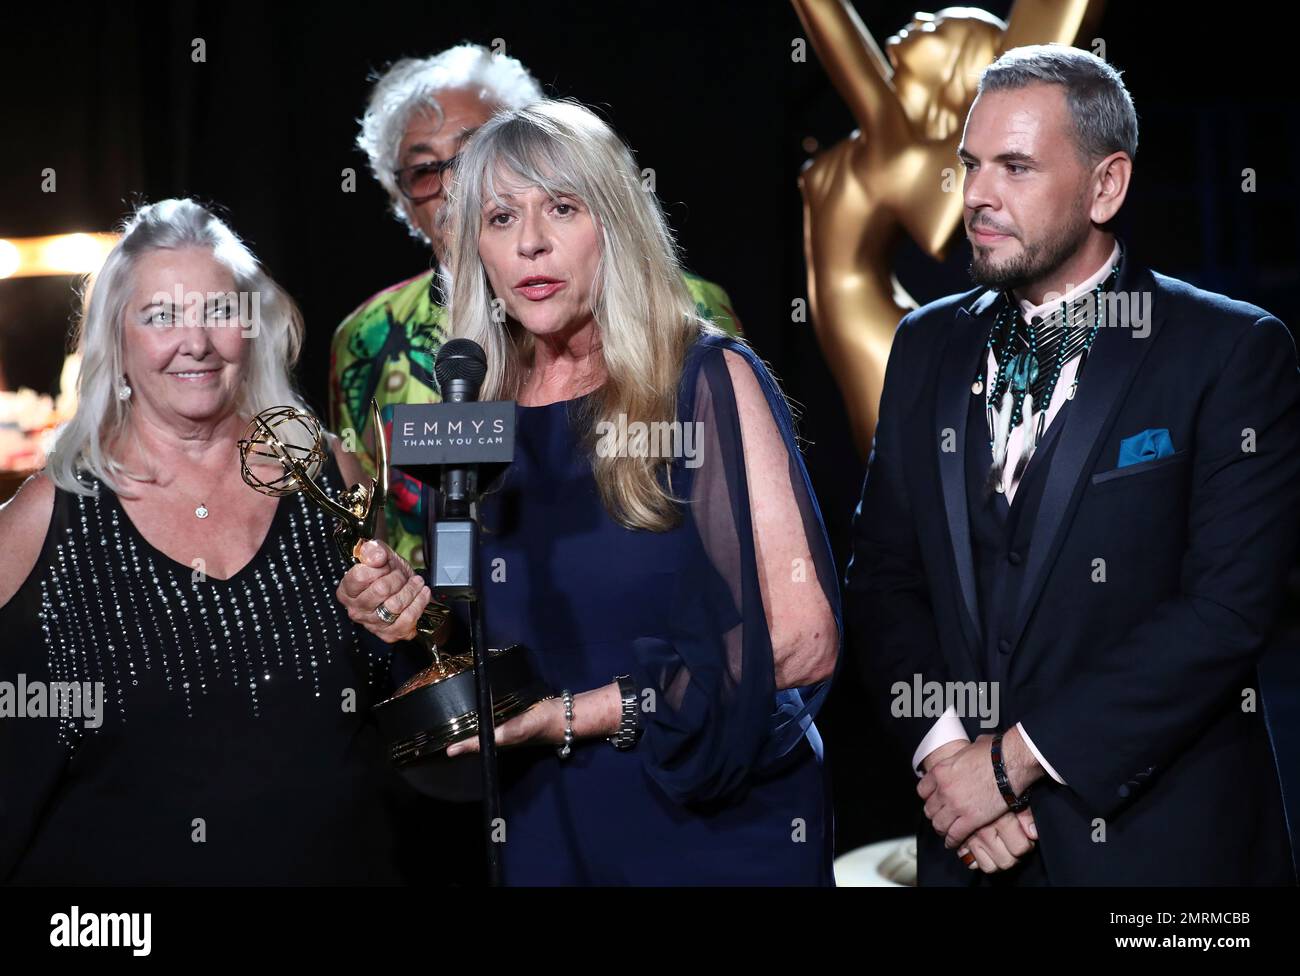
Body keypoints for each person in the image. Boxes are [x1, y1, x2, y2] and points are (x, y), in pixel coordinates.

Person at [336, 99, 841, 885]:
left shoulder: (706, 380)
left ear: (614, 224)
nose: (530, 241)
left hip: (713, 820)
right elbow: (473, 640)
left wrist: (576, 714)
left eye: (561, 209)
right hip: (543, 826)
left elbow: (804, 640)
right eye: (501, 218)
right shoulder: (468, 411)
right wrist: (407, 612)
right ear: (476, 248)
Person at [845, 45, 1300, 884]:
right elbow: (882, 579)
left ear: (1107, 186)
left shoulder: (1231, 351)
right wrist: (951, 760)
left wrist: (1010, 764)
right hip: (970, 853)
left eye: (1015, 167)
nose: (977, 196)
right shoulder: (925, 344)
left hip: (1162, 858)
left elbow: (1225, 614)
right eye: (970, 165)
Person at [0, 199, 410, 883]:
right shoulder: (48, 514)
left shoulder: (327, 475)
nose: (195, 342)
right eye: (161, 316)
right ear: (117, 341)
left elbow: (396, 687)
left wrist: (399, 614)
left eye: (219, 312)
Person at [331, 43, 743, 569]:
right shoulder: (365, 335)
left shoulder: (689, 307)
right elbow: (366, 515)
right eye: (423, 172)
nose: (452, 183)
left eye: (472, 152)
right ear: (399, 200)